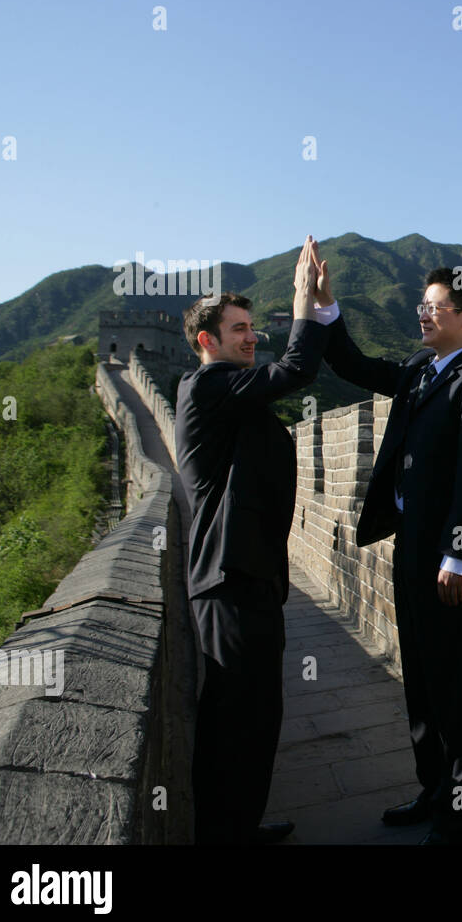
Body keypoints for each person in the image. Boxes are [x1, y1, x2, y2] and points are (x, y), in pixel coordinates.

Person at [323, 267, 462, 845]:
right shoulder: (417, 373)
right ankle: (431, 789)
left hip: (447, 561)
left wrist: (458, 554)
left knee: (452, 683)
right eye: (422, 307)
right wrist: (324, 310)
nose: (423, 315)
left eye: (434, 307)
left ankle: (459, 812)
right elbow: (355, 368)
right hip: (409, 547)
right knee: (420, 680)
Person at [176, 237, 336, 844]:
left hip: (253, 577)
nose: (250, 337)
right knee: (234, 716)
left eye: (251, 328)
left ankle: (238, 821)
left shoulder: (234, 396)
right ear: (207, 341)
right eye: (239, 329)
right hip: (226, 579)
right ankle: (223, 833)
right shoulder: (209, 387)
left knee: (256, 713)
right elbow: (295, 370)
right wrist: (305, 302)